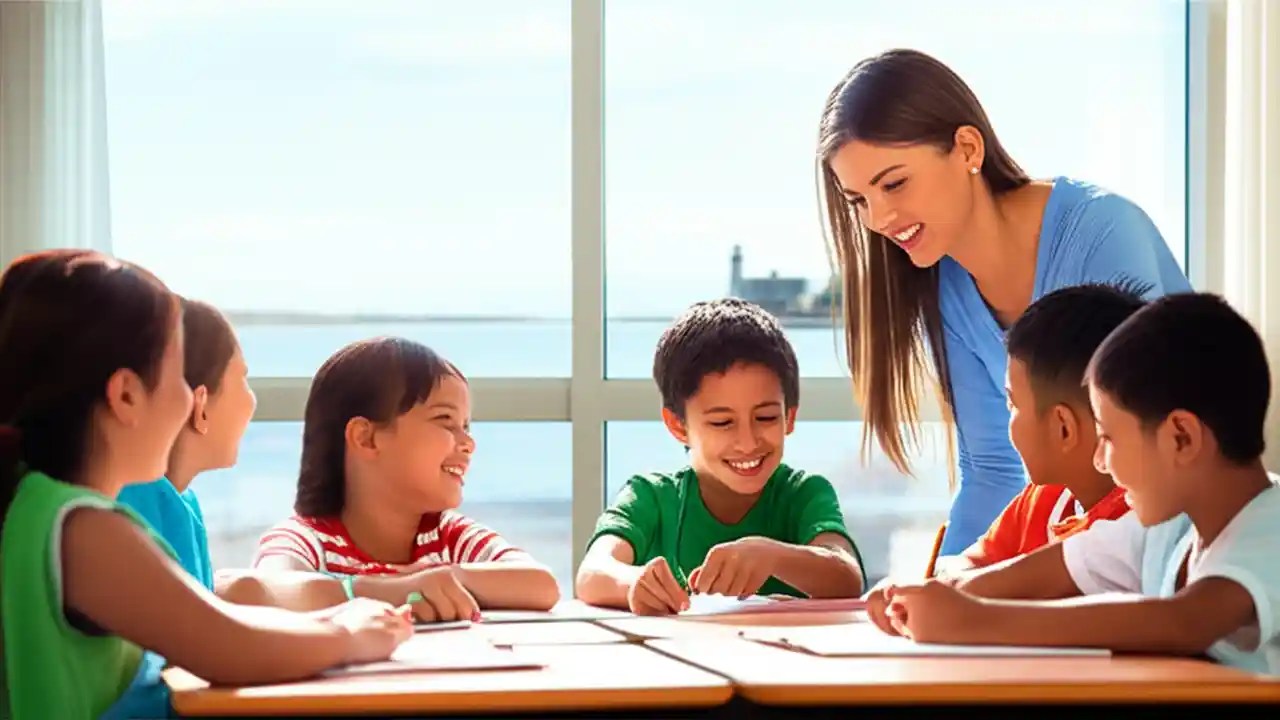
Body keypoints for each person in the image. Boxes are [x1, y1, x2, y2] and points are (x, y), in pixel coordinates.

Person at [0, 250, 410, 720]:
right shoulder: (84, 529)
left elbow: (209, 620)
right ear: (127, 395)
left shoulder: (37, 506)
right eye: (177, 377)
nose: (186, 398)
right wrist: (351, 638)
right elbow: (227, 645)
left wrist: (332, 619)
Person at [816, 48, 1190, 555]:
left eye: (895, 184)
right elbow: (992, 473)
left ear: (968, 149)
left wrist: (1021, 582)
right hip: (1089, 553)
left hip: (1174, 549)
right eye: (859, 200)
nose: (878, 219)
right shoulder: (943, 285)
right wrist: (944, 583)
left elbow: (1150, 458)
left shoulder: (1104, 233)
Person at [871, 293, 1279, 676]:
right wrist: (919, 598)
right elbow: (1054, 570)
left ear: (1181, 439)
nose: (1101, 460)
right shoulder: (1169, 530)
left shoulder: (1269, 527)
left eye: (1109, 439)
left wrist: (972, 620)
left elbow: (1183, 622)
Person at [575, 299, 863, 615]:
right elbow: (592, 573)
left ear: (789, 417)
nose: (747, 442)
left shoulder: (804, 494)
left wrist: (771, 556)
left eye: (766, 417)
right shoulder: (650, 497)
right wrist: (632, 584)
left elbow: (848, 577)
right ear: (678, 425)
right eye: (722, 422)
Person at [251, 337, 560, 621]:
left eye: (466, 426)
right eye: (445, 420)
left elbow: (542, 585)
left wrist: (450, 578)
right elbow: (267, 590)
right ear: (366, 438)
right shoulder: (305, 539)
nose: (468, 443)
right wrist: (391, 588)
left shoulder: (449, 538)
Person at [933, 282, 1143, 577]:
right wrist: (949, 573)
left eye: (1013, 404)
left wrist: (956, 587)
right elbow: (973, 561)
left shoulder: (1132, 524)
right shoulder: (1043, 499)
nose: (1010, 417)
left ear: (1063, 429)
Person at [119, 298, 254, 590]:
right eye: (243, 378)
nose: (252, 401)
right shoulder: (138, 506)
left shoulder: (180, 499)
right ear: (200, 404)